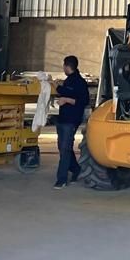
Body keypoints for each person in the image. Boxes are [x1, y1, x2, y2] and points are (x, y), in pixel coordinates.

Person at [53, 55, 90, 189]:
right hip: (62, 119)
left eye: (64, 66)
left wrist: (66, 100)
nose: (63, 68)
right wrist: (56, 86)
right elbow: (65, 91)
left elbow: (83, 101)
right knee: (63, 148)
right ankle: (76, 169)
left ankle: (61, 179)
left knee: (65, 148)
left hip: (71, 120)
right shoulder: (68, 81)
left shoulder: (79, 82)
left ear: (67, 66)